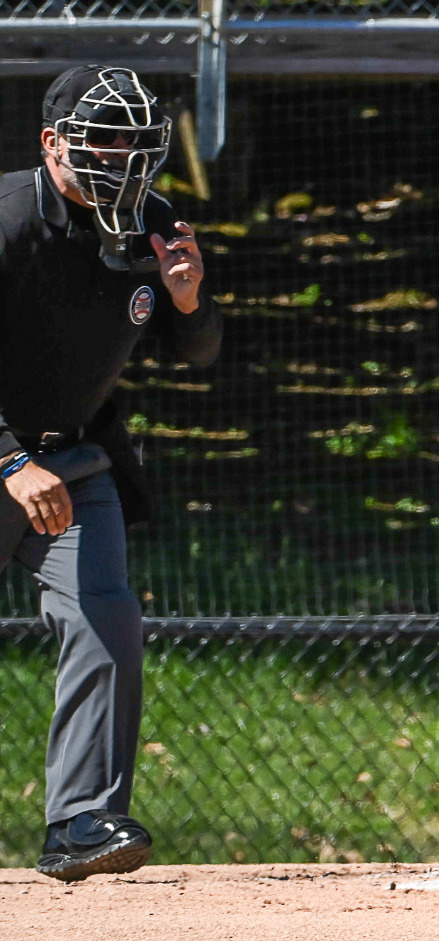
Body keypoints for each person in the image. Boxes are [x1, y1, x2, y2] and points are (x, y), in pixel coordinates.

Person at [0, 66, 220, 882]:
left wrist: (190, 300)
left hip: (77, 458)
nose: (121, 157)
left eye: (135, 141)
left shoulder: (151, 222)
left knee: (107, 619)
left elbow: (196, 353)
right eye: (101, 139)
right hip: (7, 456)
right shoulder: (12, 217)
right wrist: (12, 462)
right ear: (53, 141)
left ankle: (80, 821)